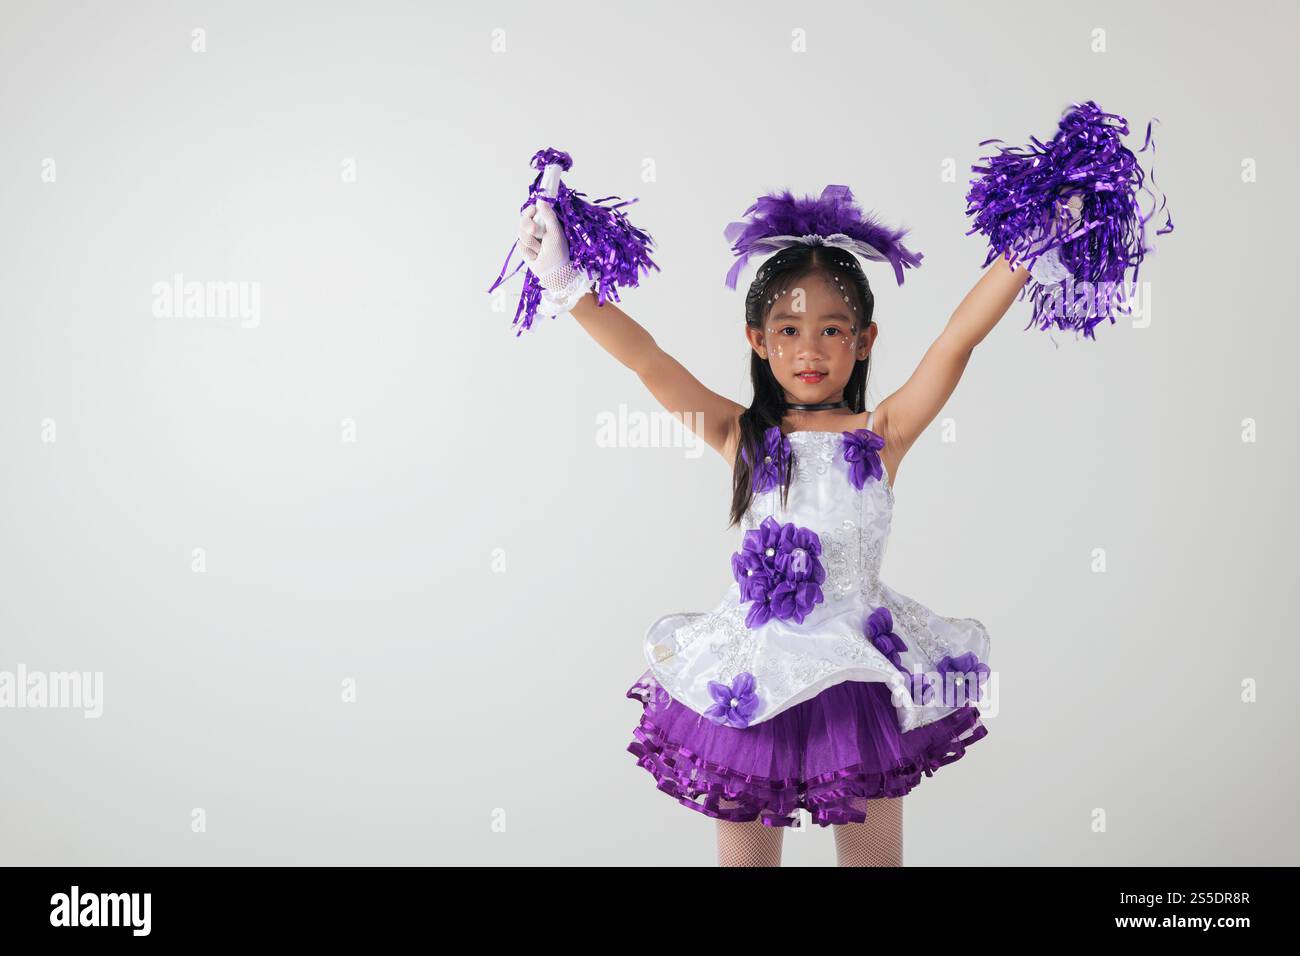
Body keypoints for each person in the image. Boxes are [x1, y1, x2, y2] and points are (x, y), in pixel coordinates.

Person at [515, 186, 1047, 866]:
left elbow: (957, 340)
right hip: (754, 676)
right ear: (758, 342)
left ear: (864, 339)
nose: (811, 349)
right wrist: (568, 286)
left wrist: (1025, 252)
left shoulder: (881, 434)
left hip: (860, 680)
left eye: (832, 328)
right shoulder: (746, 436)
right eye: (789, 330)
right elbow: (649, 360)